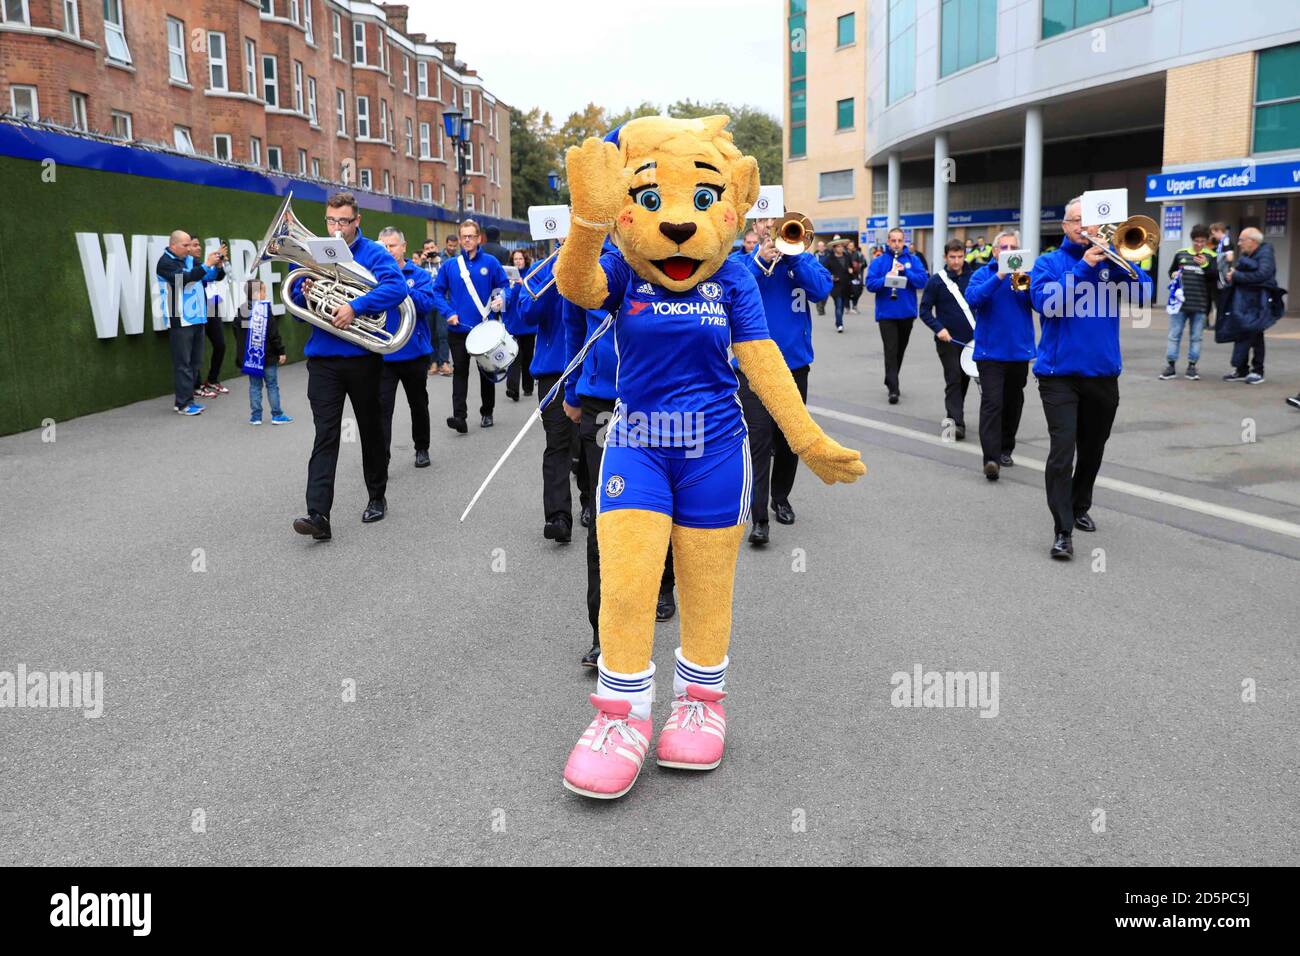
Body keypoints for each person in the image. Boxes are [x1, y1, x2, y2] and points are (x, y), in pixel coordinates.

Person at [1029, 196, 1151, 560]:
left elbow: (1144, 295)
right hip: (1058, 375)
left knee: (1093, 449)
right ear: (1064, 225)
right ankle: (1062, 530)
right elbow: (1045, 304)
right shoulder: (1048, 262)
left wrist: (1121, 261)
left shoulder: (1111, 262)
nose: (1084, 227)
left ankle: (1080, 506)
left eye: (1090, 221)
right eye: (1076, 220)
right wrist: (1083, 267)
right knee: (1062, 451)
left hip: (1102, 374)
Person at [563, 290, 678, 669]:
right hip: (600, 403)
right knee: (606, 520)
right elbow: (573, 331)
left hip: (658, 404)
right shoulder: (589, 269)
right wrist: (572, 389)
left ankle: (663, 583)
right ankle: (603, 634)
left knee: (661, 507)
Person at [289, 192, 409, 541]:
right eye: (331, 220)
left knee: (371, 431)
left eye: (343, 221)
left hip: (363, 358)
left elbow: (396, 287)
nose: (336, 228)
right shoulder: (315, 250)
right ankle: (318, 514)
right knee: (325, 435)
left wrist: (355, 307)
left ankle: (376, 495)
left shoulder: (373, 253)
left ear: (357, 221)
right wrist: (307, 290)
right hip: (324, 361)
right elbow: (296, 292)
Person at [737, 224, 834, 546]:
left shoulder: (803, 260)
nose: (771, 231)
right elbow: (730, 291)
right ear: (755, 227)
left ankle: (781, 497)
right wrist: (759, 260)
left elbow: (821, 291)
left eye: (779, 225)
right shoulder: (743, 262)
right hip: (753, 366)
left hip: (794, 365)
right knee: (759, 442)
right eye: (766, 226)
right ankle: (759, 517)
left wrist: (794, 258)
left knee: (790, 438)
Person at [965, 230, 1036, 480]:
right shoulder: (982, 274)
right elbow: (973, 299)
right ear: (995, 252)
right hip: (990, 353)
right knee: (992, 404)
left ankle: (1006, 448)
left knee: (1013, 403)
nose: (1008, 251)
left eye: (1012, 247)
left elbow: (1034, 302)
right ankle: (991, 458)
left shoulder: (1023, 275)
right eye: (1003, 247)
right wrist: (999, 276)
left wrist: (1021, 279)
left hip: (1017, 352)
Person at [432, 218, 511, 432]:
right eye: (464, 236)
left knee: (487, 371)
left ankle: (487, 411)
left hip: (485, 327)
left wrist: (502, 298)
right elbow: (437, 292)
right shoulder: (450, 266)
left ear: (479, 239)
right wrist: (448, 312)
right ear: (459, 239)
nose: (467, 240)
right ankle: (460, 417)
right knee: (460, 373)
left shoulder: (491, 263)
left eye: (471, 236)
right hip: (459, 329)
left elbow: (505, 286)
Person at [376, 227, 437, 469]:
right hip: (383, 353)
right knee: (382, 410)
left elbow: (425, 305)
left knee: (418, 404)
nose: (389, 250)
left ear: (403, 246)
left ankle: (422, 448)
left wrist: (398, 283)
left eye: (392, 245)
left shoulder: (419, 274)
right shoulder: (371, 274)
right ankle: (382, 458)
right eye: (384, 246)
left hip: (414, 352)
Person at [156, 230, 223, 416]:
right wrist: (207, 265)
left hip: (198, 318)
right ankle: (183, 404)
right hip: (180, 320)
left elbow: (208, 277)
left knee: (195, 362)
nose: (189, 249)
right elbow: (183, 280)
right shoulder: (165, 263)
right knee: (183, 364)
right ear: (173, 245)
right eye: (185, 245)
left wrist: (217, 265)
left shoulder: (190, 260)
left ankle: (188, 400)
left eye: (189, 245)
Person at [918, 240, 975, 440]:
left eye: (960, 257)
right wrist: (938, 328)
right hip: (947, 341)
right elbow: (924, 310)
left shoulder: (974, 277)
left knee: (965, 378)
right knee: (953, 379)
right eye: (952, 257)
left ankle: (955, 412)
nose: (957, 261)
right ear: (945, 257)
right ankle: (956, 422)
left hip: (971, 341)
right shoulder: (936, 281)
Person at [865, 227, 929, 403]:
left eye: (900, 241)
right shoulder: (879, 262)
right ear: (888, 242)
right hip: (886, 314)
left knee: (900, 350)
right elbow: (870, 284)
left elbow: (923, 281)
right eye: (893, 241)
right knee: (891, 350)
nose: (896, 244)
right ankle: (894, 388)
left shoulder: (913, 260)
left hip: (907, 313)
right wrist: (887, 278)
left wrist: (906, 272)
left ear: (904, 242)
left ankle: (890, 377)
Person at [1160, 224, 1215, 381]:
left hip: (1200, 304)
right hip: (1179, 304)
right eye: (1196, 241)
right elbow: (1171, 271)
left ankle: (1192, 366)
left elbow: (1214, 277)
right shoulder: (1180, 254)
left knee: (1196, 337)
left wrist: (1205, 264)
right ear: (1192, 240)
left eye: (1202, 241)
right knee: (1174, 334)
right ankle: (1170, 365)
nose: (1199, 244)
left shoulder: (1211, 256)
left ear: (1206, 241)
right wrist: (1174, 274)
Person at [1223, 227, 1277, 385]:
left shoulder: (1265, 254)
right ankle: (1241, 369)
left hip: (1258, 301)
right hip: (1245, 301)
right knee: (1241, 332)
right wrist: (1232, 276)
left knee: (1256, 334)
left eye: (1241, 240)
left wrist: (1237, 275)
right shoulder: (1249, 254)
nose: (1239, 244)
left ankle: (1258, 371)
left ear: (1252, 241)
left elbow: (1263, 275)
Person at [241, 280, 291, 426]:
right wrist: (280, 351)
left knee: (255, 387)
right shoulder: (265, 310)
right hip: (269, 357)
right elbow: (273, 334)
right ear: (257, 293)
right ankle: (277, 414)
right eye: (263, 290)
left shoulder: (242, 311)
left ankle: (256, 417)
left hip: (252, 357)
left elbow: (240, 336)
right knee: (272, 385)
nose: (266, 293)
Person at [504, 249, 537, 401]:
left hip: (528, 324)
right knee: (514, 357)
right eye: (515, 259)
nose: (518, 261)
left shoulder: (530, 275)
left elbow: (534, 295)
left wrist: (523, 284)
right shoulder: (506, 278)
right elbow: (503, 298)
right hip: (513, 323)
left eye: (520, 259)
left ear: (525, 260)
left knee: (528, 357)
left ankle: (528, 386)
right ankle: (512, 389)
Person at [823, 236, 853, 331]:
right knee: (838, 305)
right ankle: (839, 324)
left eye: (842, 246)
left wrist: (851, 270)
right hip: (835, 286)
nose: (841, 248)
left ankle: (838, 321)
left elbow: (851, 267)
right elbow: (824, 271)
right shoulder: (829, 259)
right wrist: (831, 276)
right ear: (834, 248)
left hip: (846, 285)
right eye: (838, 247)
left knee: (843, 305)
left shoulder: (847, 257)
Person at [1208, 222, 1232, 331]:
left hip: (1222, 273)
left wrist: (1219, 258)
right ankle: (1218, 322)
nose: (1213, 236)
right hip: (1218, 273)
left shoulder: (1226, 241)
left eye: (1214, 233)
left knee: (1220, 299)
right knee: (1216, 299)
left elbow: (1230, 257)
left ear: (1219, 231)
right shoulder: (1220, 243)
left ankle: (1221, 323)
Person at [845, 239, 866, 313]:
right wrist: (847, 268)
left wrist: (860, 265)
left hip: (855, 276)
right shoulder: (845, 254)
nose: (851, 247)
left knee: (857, 291)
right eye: (850, 245)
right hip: (846, 276)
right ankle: (847, 307)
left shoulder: (857, 254)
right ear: (847, 246)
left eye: (852, 246)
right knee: (846, 292)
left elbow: (863, 263)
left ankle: (854, 305)